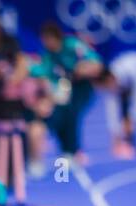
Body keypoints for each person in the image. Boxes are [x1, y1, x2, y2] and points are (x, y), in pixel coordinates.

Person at [27, 20, 101, 172]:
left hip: (81, 88)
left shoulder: (73, 45)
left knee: (73, 115)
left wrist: (84, 69)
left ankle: (72, 151)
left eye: (48, 40)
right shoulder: (47, 54)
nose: (46, 43)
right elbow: (41, 72)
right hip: (62, 90)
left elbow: (95, 62)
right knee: (62, 115)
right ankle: (68, 152)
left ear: (56, 37)